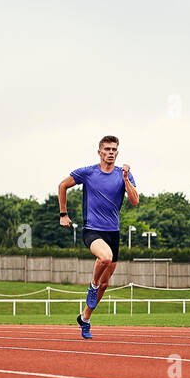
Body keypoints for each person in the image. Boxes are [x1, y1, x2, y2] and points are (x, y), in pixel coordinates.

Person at [57, 135, 138, 338]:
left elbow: (135, 201)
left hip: (113, 232)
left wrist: (126, 179)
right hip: (92, 229)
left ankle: (84, 318)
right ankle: (91, 286)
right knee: (105, 257)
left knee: (106, 283)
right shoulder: (88, 173)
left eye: (114, 149)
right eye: (107, 149)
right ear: (100, 152)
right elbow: (62, 185)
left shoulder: (123, 174)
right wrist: (63, 214)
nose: (111, 153)